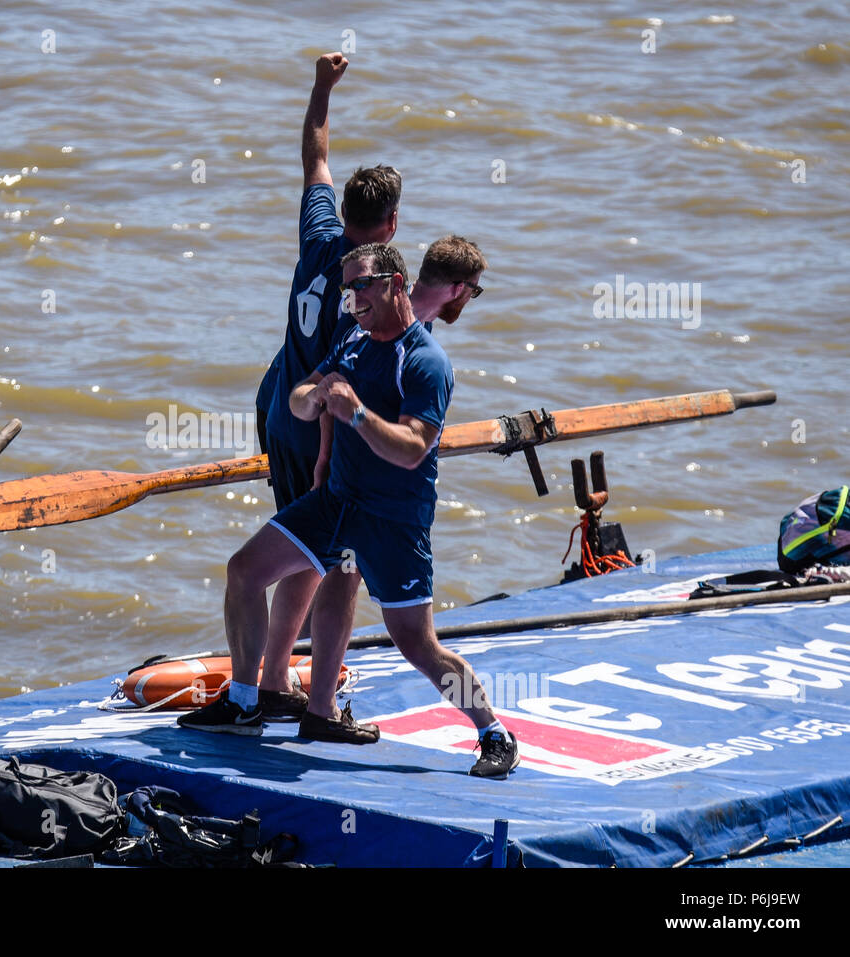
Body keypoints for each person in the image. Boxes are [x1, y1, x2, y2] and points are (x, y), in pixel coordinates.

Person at [182, 242, 518, 780]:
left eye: (361, 285)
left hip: (393, 521)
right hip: (335, 504)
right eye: (346, 287)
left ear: (395, 284)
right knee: (244, 570)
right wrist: (314, 399)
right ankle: (245, 703)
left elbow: (414, 449)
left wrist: (357, 412)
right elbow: (299, 398)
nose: (352, 297)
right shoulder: (353, 338)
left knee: (417, 643)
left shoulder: (426, 361)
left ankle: (494, 732)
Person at [252, 50, 402, 722]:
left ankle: (275, 678)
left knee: (299, 548)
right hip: (321, 437)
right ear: (391, 225)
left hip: (278, 418)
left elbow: (315, 155)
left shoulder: (318, 235)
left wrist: (321, 87)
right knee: (340, 565)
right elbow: (348, 378)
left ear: (343, 212)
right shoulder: (370, 290)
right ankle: (316, 699)